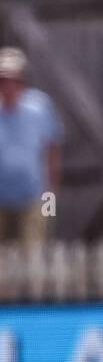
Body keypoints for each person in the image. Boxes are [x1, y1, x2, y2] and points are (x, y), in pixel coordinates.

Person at [0, 47, 62, 246]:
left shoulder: (39, 107)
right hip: (2, 196)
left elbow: (53, 148)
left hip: (34, 195)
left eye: (13, 79)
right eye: (3, 80)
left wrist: (50, 192)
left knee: (34, 253)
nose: (9, 86)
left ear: (22, 80)